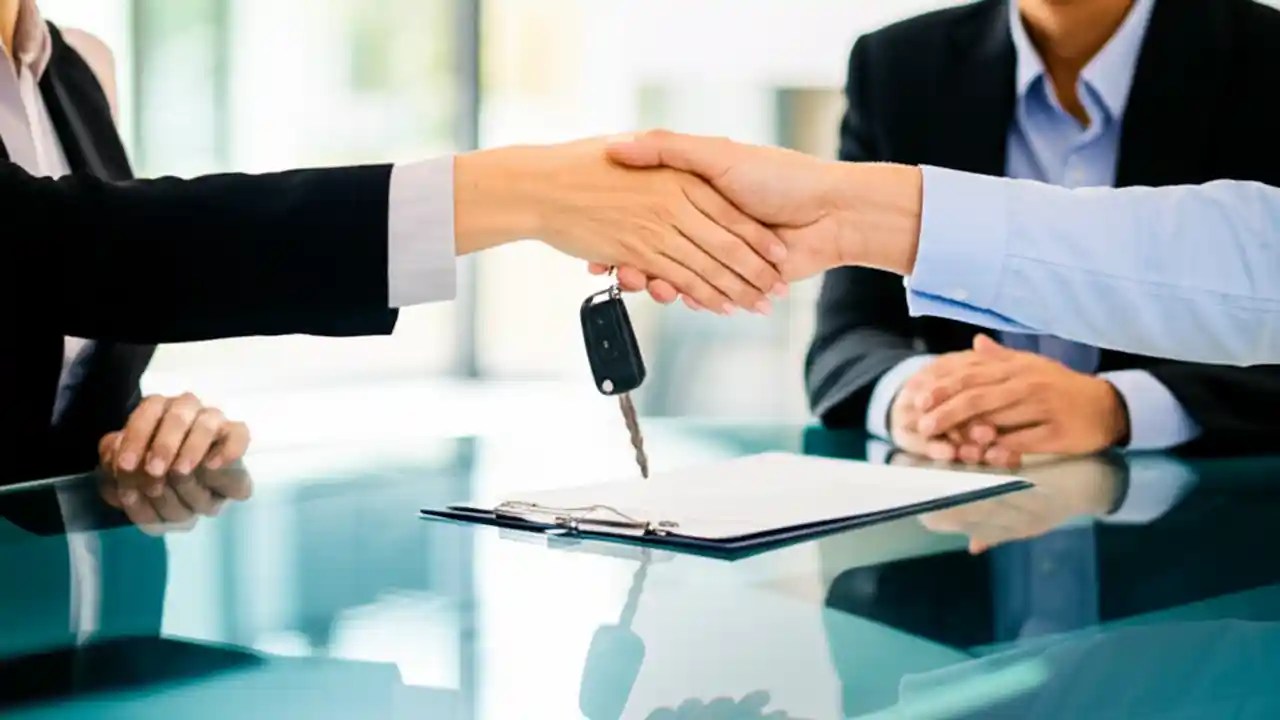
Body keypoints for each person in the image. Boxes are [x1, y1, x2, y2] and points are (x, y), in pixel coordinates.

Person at [2, 2, 786, 486]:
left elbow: (87, 309)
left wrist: (144, 439)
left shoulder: (71, 67)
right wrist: (530, 191)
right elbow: (64, 247)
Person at [802, 0, 1280, 467]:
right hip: (966, 500)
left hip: (1196, 522)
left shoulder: (1262, 55)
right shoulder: (898, 64)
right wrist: (924, 397)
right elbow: (848, 333)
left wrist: (1118, 407)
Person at [2, 0, 248, 491]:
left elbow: (97, 306)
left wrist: (158, 439)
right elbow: (70, 247)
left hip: (89, 557)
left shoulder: (82, 63)